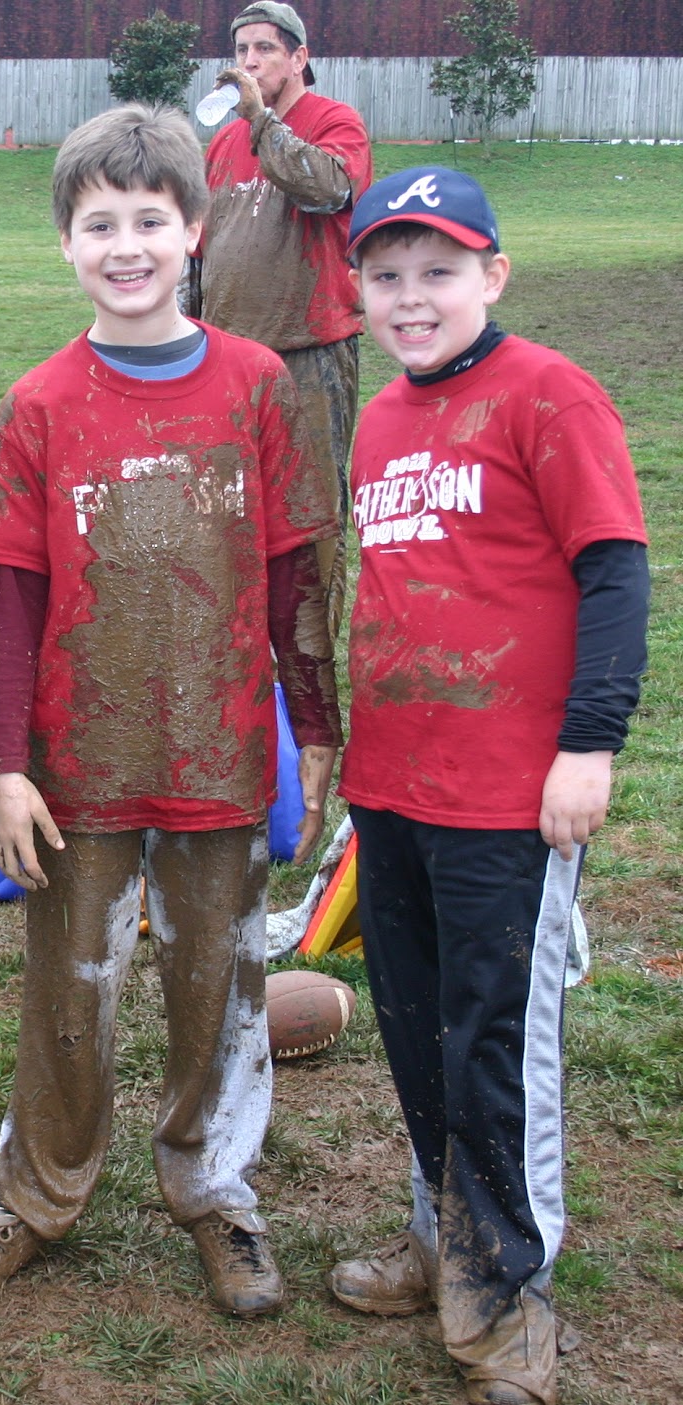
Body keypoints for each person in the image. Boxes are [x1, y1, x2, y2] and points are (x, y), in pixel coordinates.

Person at [0, 103, 340, 1318]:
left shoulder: (259, 386)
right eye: (99, 223)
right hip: (74, 762)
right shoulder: (39, 402)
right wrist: (2, 763)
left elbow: (294, 575)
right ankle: (35, 1191)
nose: (126, 245)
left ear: (194, 231)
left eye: (149, 221)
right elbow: (5, 595)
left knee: (218, 985)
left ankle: (214, 1188)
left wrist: (312, 729)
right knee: (71, 983)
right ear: (66, 241)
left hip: (216, 751)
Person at [329, 167, 649, 1405]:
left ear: (493, 274)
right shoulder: (379, 417)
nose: (412, 299)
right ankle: (442, 1241)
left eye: (439, 271)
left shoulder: (549, 394)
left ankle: (511, 1297)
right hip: (395, 784)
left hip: (510, 797)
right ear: (360, 290)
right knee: (415, 1037)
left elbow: (614, 575)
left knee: (494, 1050)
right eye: (388, 275)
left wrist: (589, 743)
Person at [198, 1, 372, 632]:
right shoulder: (221, 141)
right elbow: (203, 249)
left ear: (300, 58)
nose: (249, 61)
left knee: (312, 514)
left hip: (310, 352)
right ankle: (243, 641)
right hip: (224, 359)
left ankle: (311, 662)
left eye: (265, 49)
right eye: (241, 50)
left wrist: (261, 120)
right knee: (229, 506)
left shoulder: (334, 122)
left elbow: (328, 188)